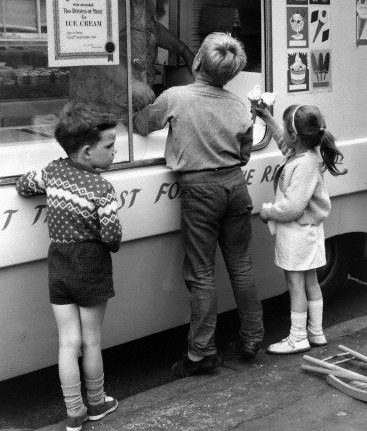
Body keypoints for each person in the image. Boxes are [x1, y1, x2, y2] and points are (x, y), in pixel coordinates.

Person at [133, 32, 264, 377]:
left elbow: (142, 125)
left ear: (196, 63)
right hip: (236, 187)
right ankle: (252, 338)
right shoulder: (239, 105)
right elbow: (245, 154)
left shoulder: (176, 97)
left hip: (200, 191)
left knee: (202, 273)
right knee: (242, 266)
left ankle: (202, 352)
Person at [16, 102, 122, 431]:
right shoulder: (103, 190)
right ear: (88, 152)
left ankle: (74, 412)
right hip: (91, 264)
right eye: (110, 145)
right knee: (91, 341)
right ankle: (96, 403)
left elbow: (24, 185)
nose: (116, 151)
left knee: (67, 342)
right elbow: (113, 237)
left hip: (59, 262)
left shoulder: (52, 172)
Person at [257, 104, 347, 354]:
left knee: (295, 283)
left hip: (297, 232)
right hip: (310, 232)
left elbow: (293, 207)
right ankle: (316, 332)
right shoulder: (306, 154)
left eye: (285, 130)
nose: (282, 136)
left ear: (294, 136)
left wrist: (268, 212)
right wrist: (269, 119)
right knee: (310, 281)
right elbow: (284, 142)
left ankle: (297, 337)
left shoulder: (303, 164)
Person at [69, 0, 194, 121]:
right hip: (100, 110)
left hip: (127, 109)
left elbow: (150, 27)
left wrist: (182, 49)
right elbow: (94, 47)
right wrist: (132, 84)